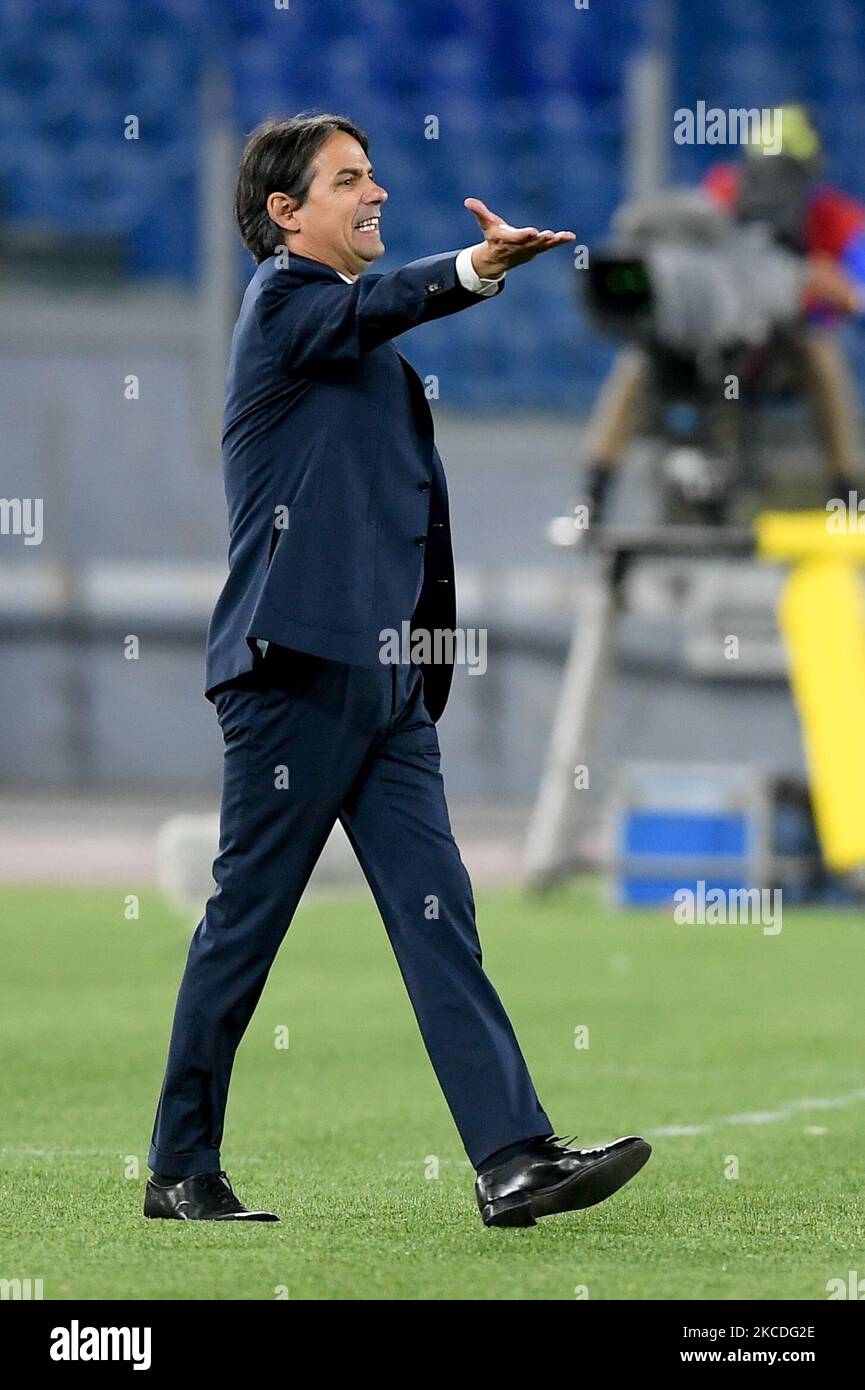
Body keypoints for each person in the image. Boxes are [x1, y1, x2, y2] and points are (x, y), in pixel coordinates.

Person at [144, 113, 651, 1227]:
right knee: (247, 924)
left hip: (383, 687)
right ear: (287, 213)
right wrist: (474, 269)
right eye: (349, 180)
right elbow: (371, 305)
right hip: (295, 677)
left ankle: (512, 1158)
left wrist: (418, 666)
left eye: (374, 174)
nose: (375, 192)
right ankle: (180, 1167)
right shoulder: (283, 305)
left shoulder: (364, 351)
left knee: (439, 918)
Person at [582, 105, 865, 523]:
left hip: (779, 354)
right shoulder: (718, 199)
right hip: (705, 346)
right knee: (636, 363)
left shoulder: (835, 218)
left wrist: (836, 288)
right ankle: (594, 490)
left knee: (822, 354)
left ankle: (848, 493)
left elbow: (858, 290)